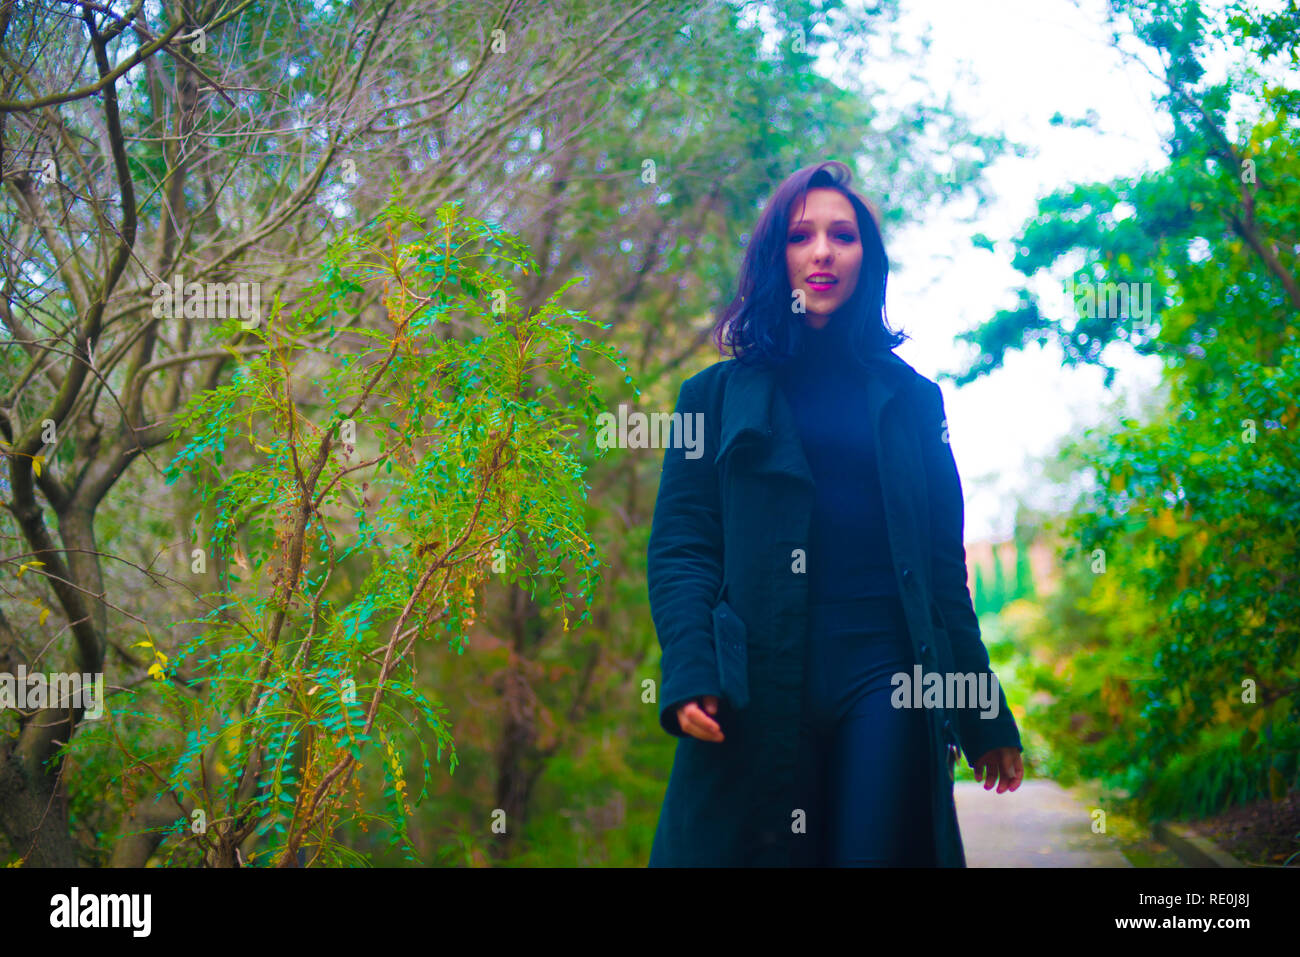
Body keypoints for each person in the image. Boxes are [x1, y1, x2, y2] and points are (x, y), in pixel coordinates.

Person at [647, 160, 1023, 867]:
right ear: (775, 256)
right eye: (801, 235)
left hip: (885, 673)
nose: (822, 251)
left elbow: (943, 574)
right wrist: (691, 665)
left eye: (843, 235)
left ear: (865, 258)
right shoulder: (710, 398)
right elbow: (684, 547)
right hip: (753, 680)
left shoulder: (914, 401)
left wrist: (983, 711)